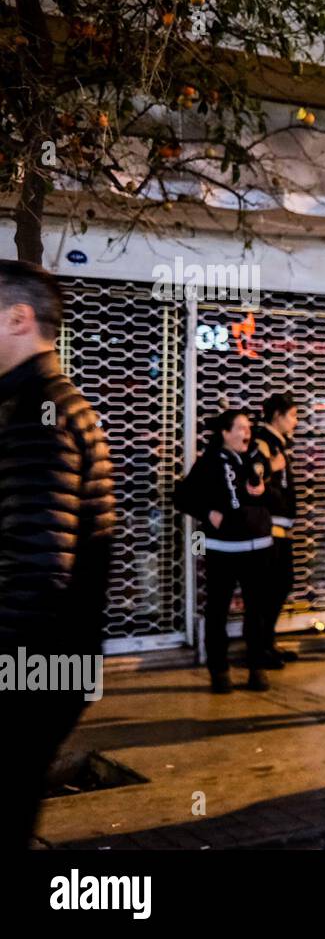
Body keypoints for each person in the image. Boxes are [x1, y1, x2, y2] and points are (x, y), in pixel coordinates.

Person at [0, 260, 115, 850]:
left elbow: (40, 562)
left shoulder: (36, 413)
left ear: (19, 318)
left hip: (29, 664)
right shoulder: (51, 402)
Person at [176, 409, 276, 693]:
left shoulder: (255, 459)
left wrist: (264, 491)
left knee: (257, 611)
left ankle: (257, 668)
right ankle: (219, 671)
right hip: (222, 550)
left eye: (248, 427)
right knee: (217, 610)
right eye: (240, 427)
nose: (246, 432)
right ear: (225, 433)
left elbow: (272, 495)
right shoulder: (209, 462)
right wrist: (208, 513)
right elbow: (182, 496)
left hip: (258, 548)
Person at [252, 393, 299, 666]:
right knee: (270, 589)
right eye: (292, 416)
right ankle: (260, 649)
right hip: (269, 530)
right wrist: (271, 466)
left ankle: (267, 644)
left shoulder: (277, 444)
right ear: (278, 415)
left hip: (280, 529)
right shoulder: (264, 443)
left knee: (278, 586)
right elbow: (252, 477)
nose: (295, 422)